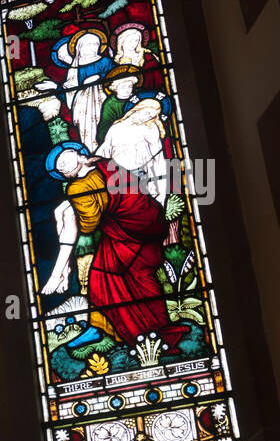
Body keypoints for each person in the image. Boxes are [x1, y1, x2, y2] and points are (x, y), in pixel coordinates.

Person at [40, 143, 186, 350]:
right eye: (61, 165)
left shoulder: (81, 186)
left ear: (78, 156)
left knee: (107, 279)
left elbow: (89, 224)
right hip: (146, 220)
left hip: (131, 231)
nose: (63, 162)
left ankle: (152, 332)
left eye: (65, 157)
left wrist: (59, 271)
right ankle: (107, 328)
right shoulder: (104, 165)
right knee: (124, 277)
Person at [54, 28, 112, 150]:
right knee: (89, 133)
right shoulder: (74, 68)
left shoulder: (106, 61)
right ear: (79, 47)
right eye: (89, 44)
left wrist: (99, 77)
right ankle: (93, 152)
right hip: (82, 107)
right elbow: (69, 92)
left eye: (96, 44)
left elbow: (116, 77)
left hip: (104, 99)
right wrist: (55, 88)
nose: (93, 47)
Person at [96, 64, 142, 144]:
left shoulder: (139, 97)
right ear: (115, 88)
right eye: (123, 87)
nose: (127, 90)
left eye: (130, 86)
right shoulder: (110, 103)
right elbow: (105, 125)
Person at [113, 23, 164, 91]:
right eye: (130, 41)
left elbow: (157, 78)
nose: (134, 43)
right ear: (121, 42)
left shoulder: (147, 56)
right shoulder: (115, 61)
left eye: (136, 40)